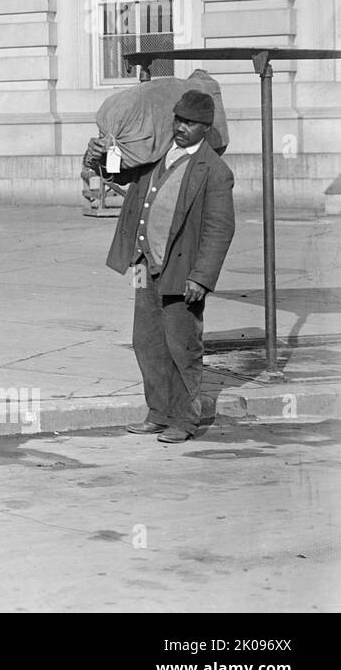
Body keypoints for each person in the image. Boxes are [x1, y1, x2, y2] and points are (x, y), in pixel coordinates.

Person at [84, 90, 235, 444]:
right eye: (179, 120)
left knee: (182, 346)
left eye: (191, 123)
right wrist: (100, 159)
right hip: (143, 265)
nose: (181, 128)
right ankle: (159, 413)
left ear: (205, 127)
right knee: (147, 342)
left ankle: (184, 420)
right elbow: (119, 176)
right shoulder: (155, 155)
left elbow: (220, 229)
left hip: (183, 273)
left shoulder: (214, 171)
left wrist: (202, 277)